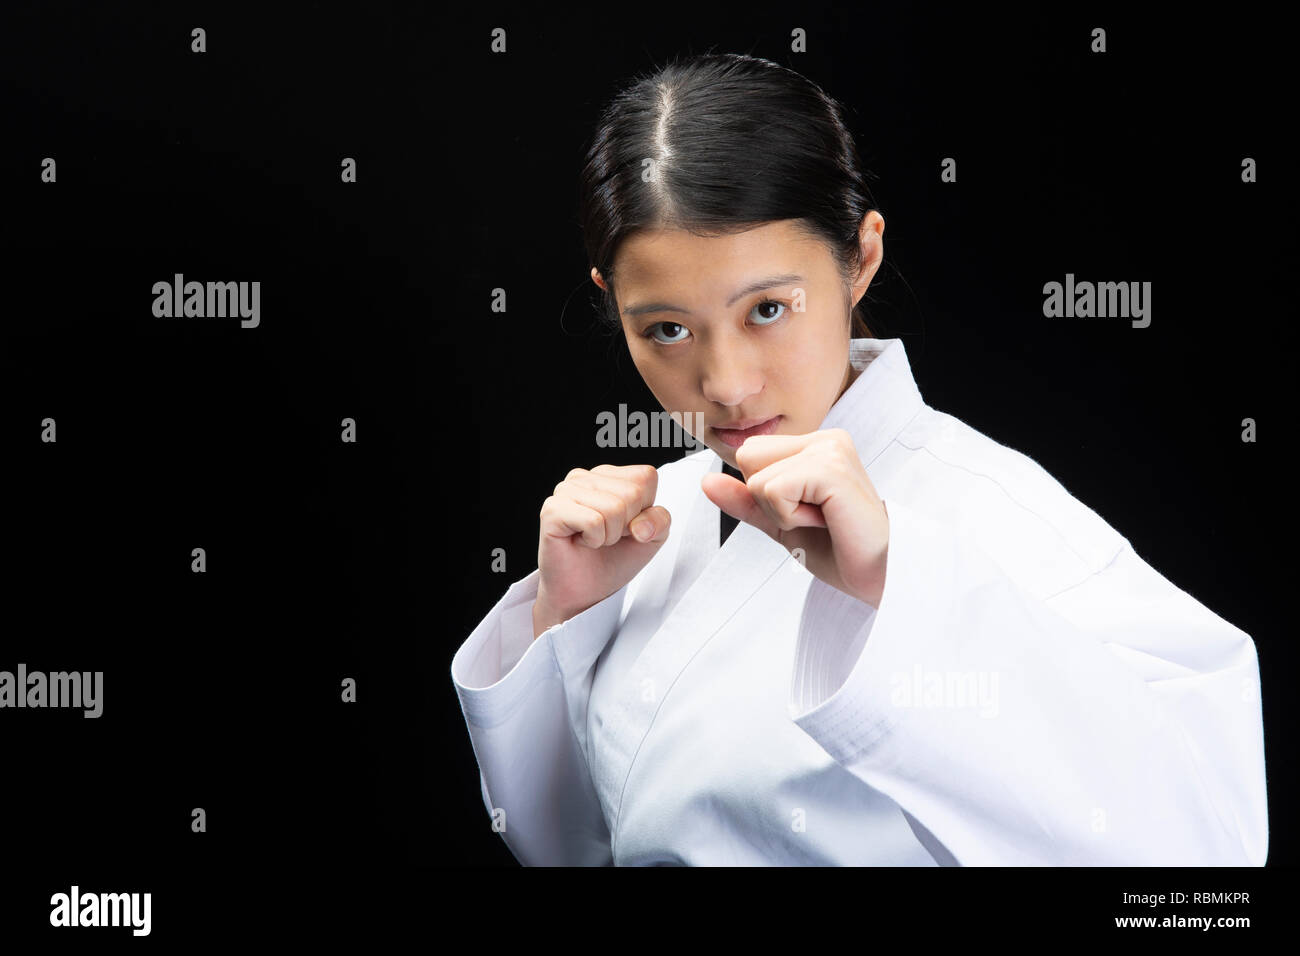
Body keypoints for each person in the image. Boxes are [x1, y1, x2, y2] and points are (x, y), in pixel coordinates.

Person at [449, 52, 1268, 866]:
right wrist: (563, 622)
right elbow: (577, 847)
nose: (725, 385)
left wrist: (900, 590)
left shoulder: (1000, 518)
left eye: (768, 308)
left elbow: (1207, 863)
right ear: (612, 304)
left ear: (860, 259)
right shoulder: (648, 523)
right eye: (666, 328)